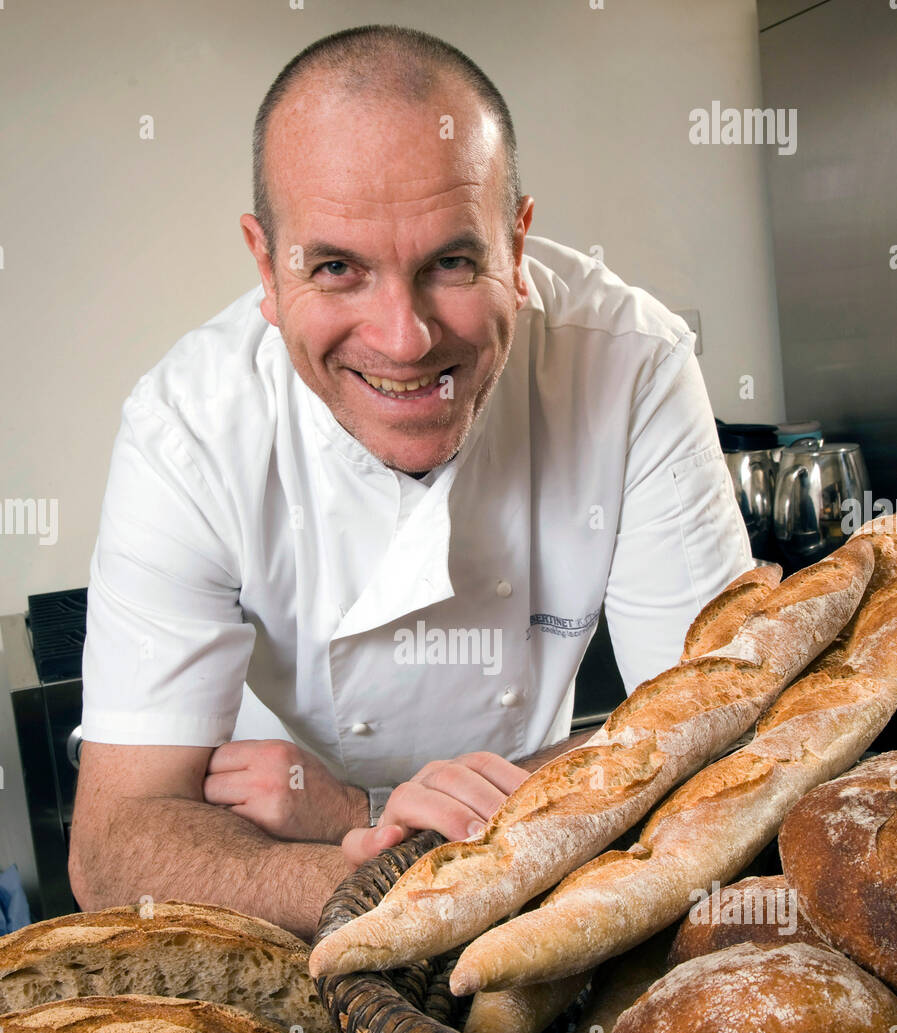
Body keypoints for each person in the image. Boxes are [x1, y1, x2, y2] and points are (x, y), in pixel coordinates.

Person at [69, 24, 751, 940]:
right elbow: (114, 849)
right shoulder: (188, 426)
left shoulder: (632, 367)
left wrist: (361, 811)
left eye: (451, 263)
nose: (403, 339)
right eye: (338, 268)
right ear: (266, 267)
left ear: (516, 244)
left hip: (502, 887)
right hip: (301, 915)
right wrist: (397, 874)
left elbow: (721, 742)